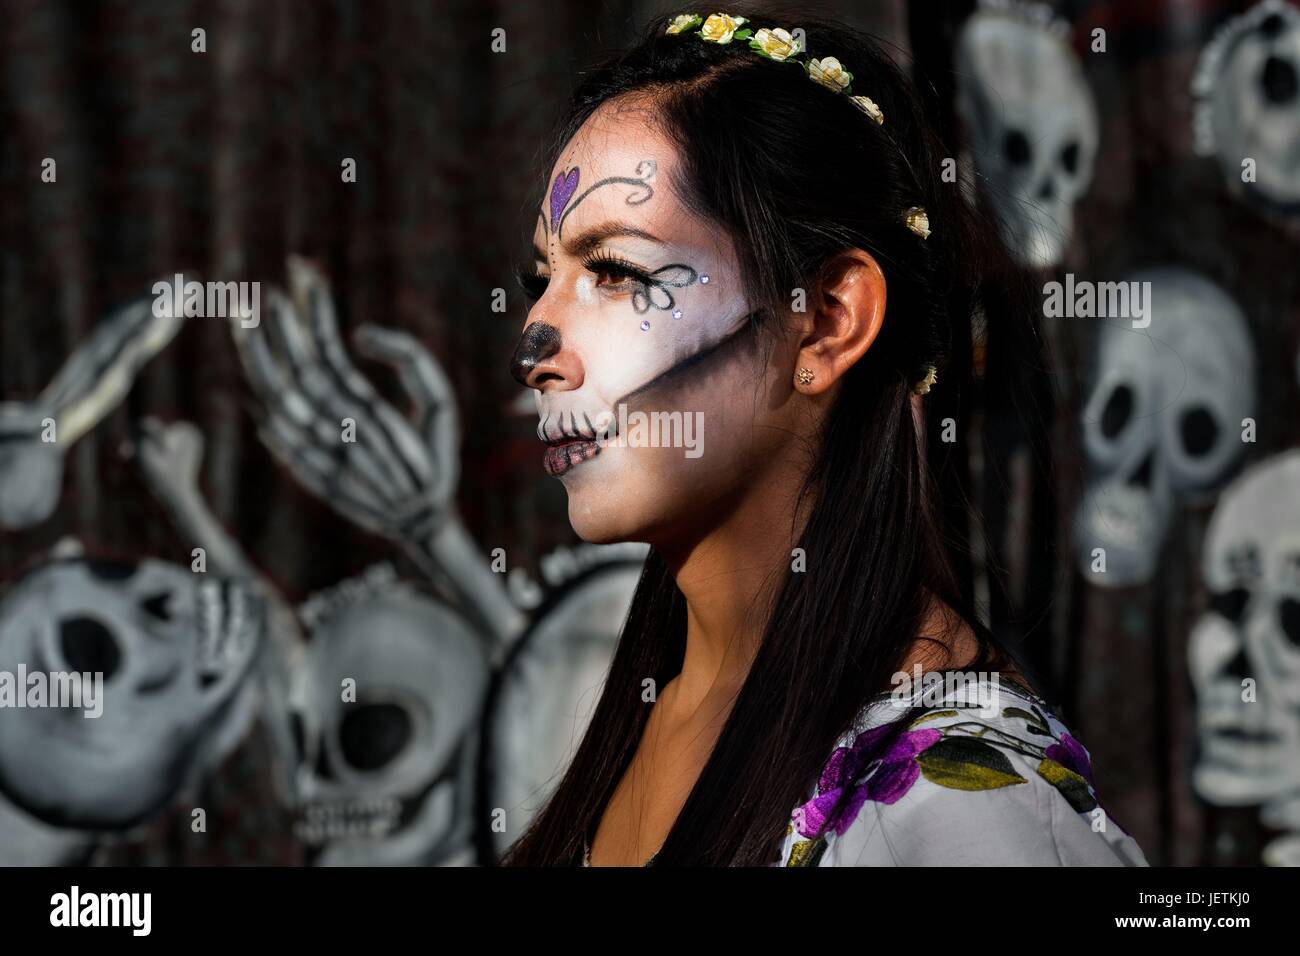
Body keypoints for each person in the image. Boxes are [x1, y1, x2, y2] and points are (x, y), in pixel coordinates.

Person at [503, 8, 1147, 867]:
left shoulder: (957, 812)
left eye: (616, 272)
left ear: (827, 321)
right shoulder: (655, 701)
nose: (534, 346)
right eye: (542, 281)